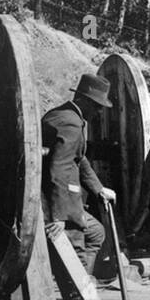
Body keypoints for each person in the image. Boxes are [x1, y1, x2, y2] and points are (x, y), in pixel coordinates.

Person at [41, 73, 117, 273]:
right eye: (97, 106)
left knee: (96, 233)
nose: (99, 112)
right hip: (59, 203)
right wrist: (59, 215)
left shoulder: (62, 115)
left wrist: (98, 189)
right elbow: (60, 166)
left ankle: (84, 283)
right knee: (76, 261)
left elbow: (79, 157)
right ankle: (80, 292)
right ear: (83, 99)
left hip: (58, 199)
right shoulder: (71, 123)